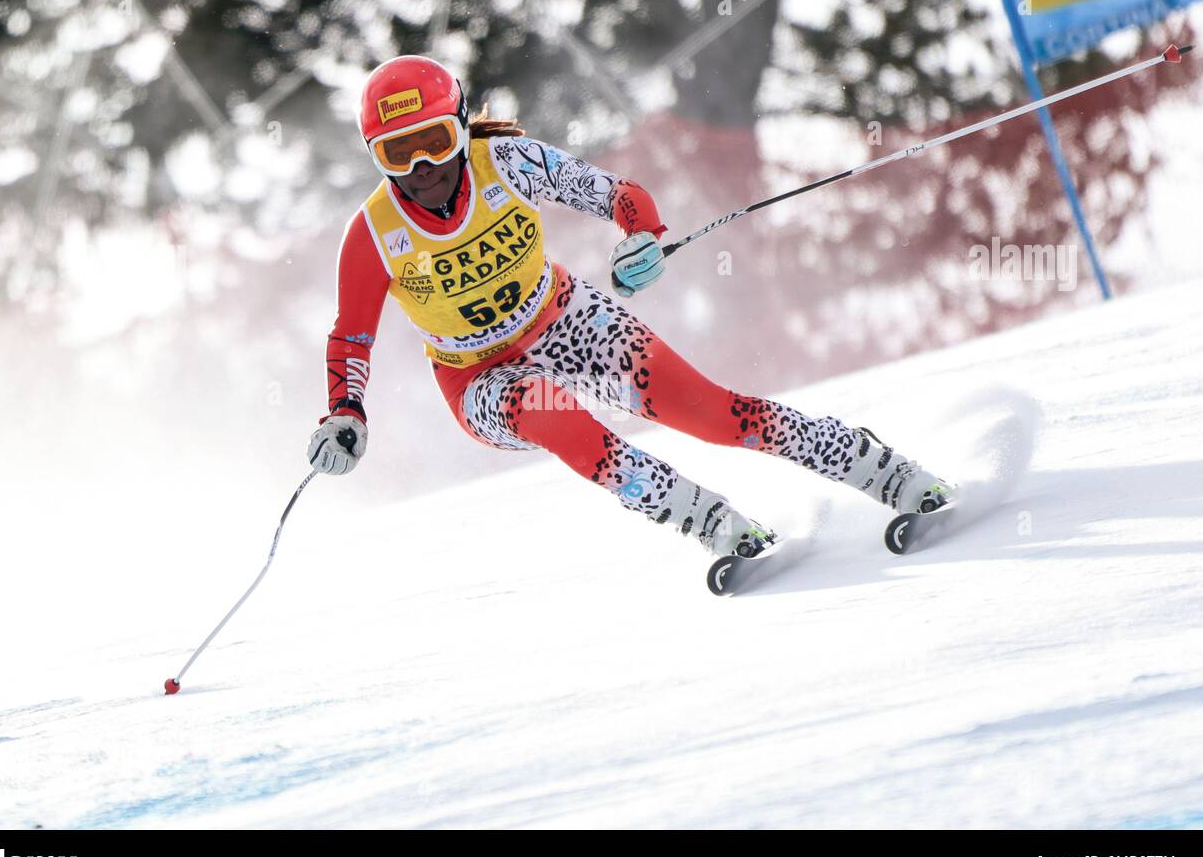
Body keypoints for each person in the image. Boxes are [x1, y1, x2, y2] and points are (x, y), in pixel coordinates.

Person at [308, 55, 953, 561]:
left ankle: (879, 468)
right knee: (555, 416)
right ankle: (704, 519)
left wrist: (640, 236)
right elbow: (350, 339)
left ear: (462, 127)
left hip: (565, 319)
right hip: (475, 377)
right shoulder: (373, 234)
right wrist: (346, 414)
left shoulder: (505, 161)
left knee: (711, 413)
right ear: (377, 159)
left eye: (435, 142)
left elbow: (620, 196)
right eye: (397, 153)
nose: (422, 168)